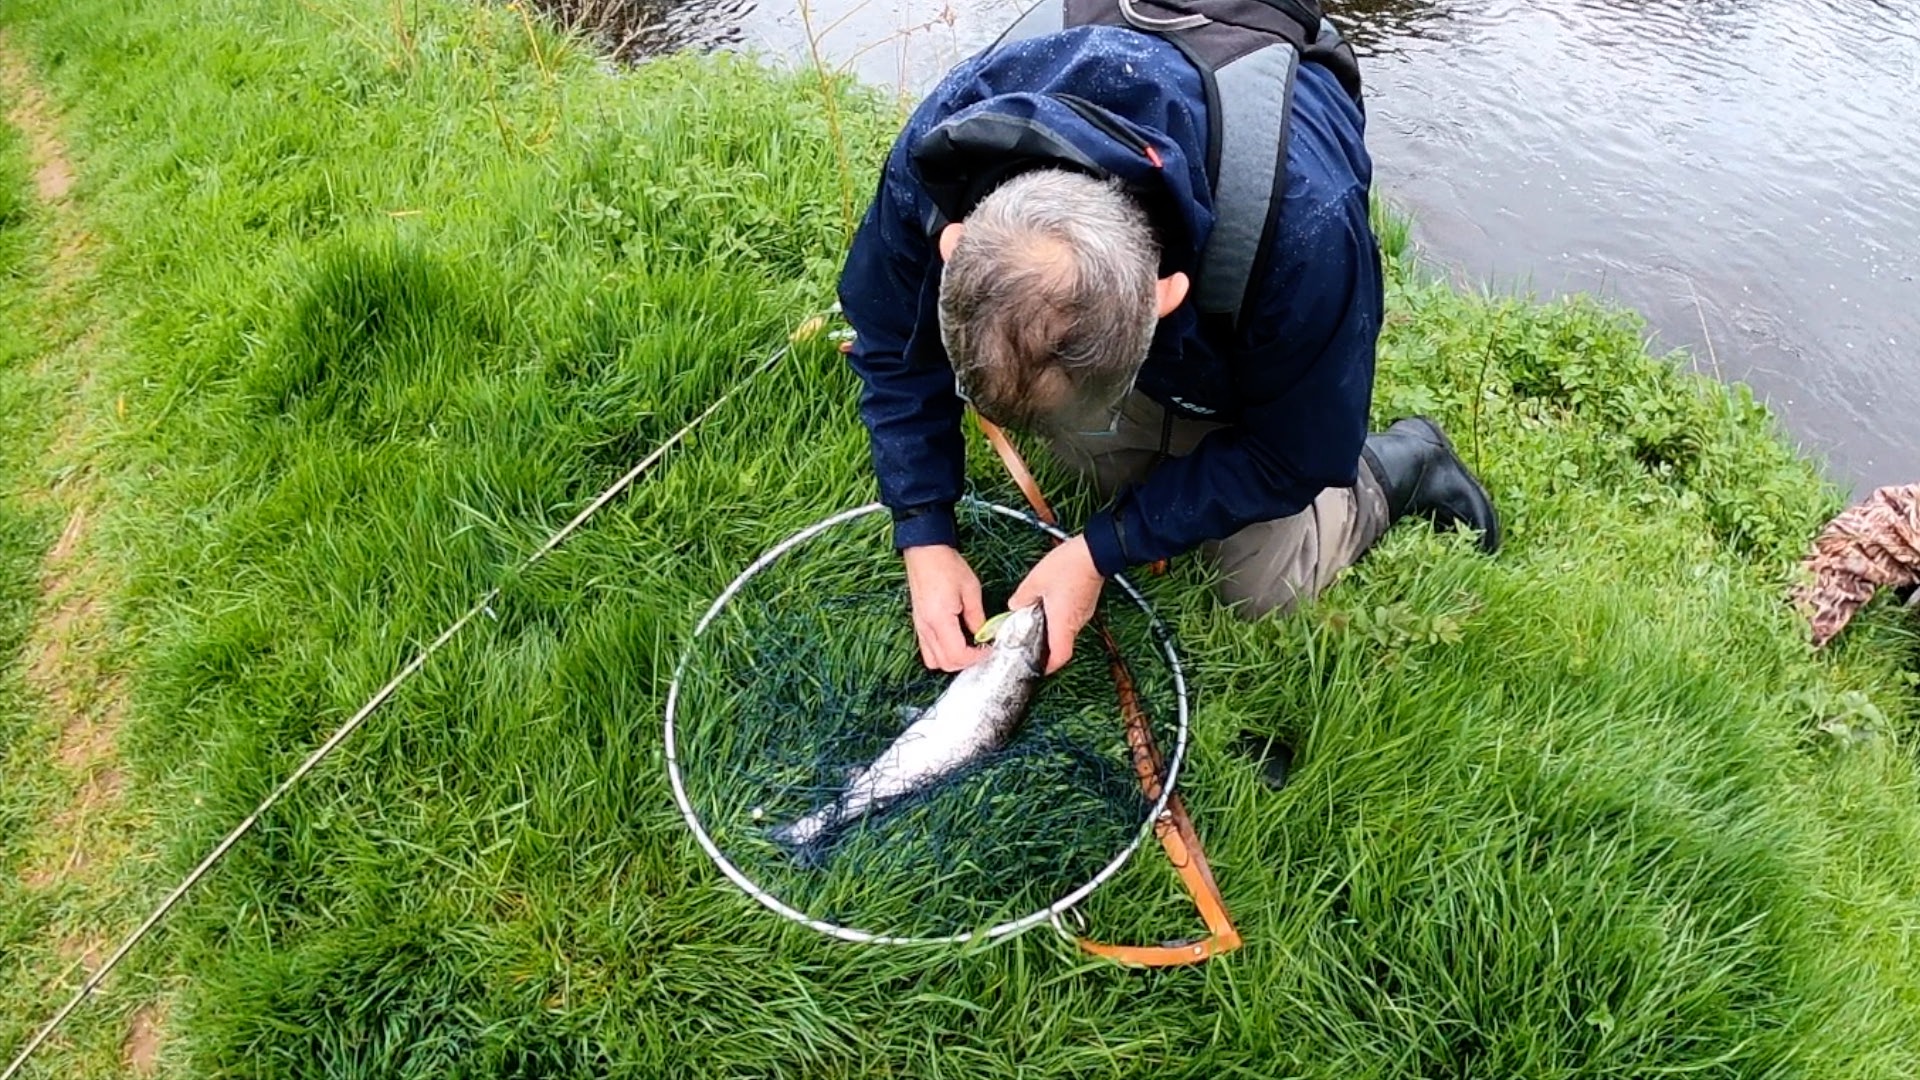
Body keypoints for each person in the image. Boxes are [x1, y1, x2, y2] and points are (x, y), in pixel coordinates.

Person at [836, 0, 1501, 676]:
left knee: (1258, 588)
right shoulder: (944, 150)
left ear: (1165, 299)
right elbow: (890, 339)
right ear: (955, 243)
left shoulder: (1303, 231)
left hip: (1259, 248)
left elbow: (1296, 455)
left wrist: (1101, 549)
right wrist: (923, 531)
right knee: (1092, 454)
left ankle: (1401, 466)